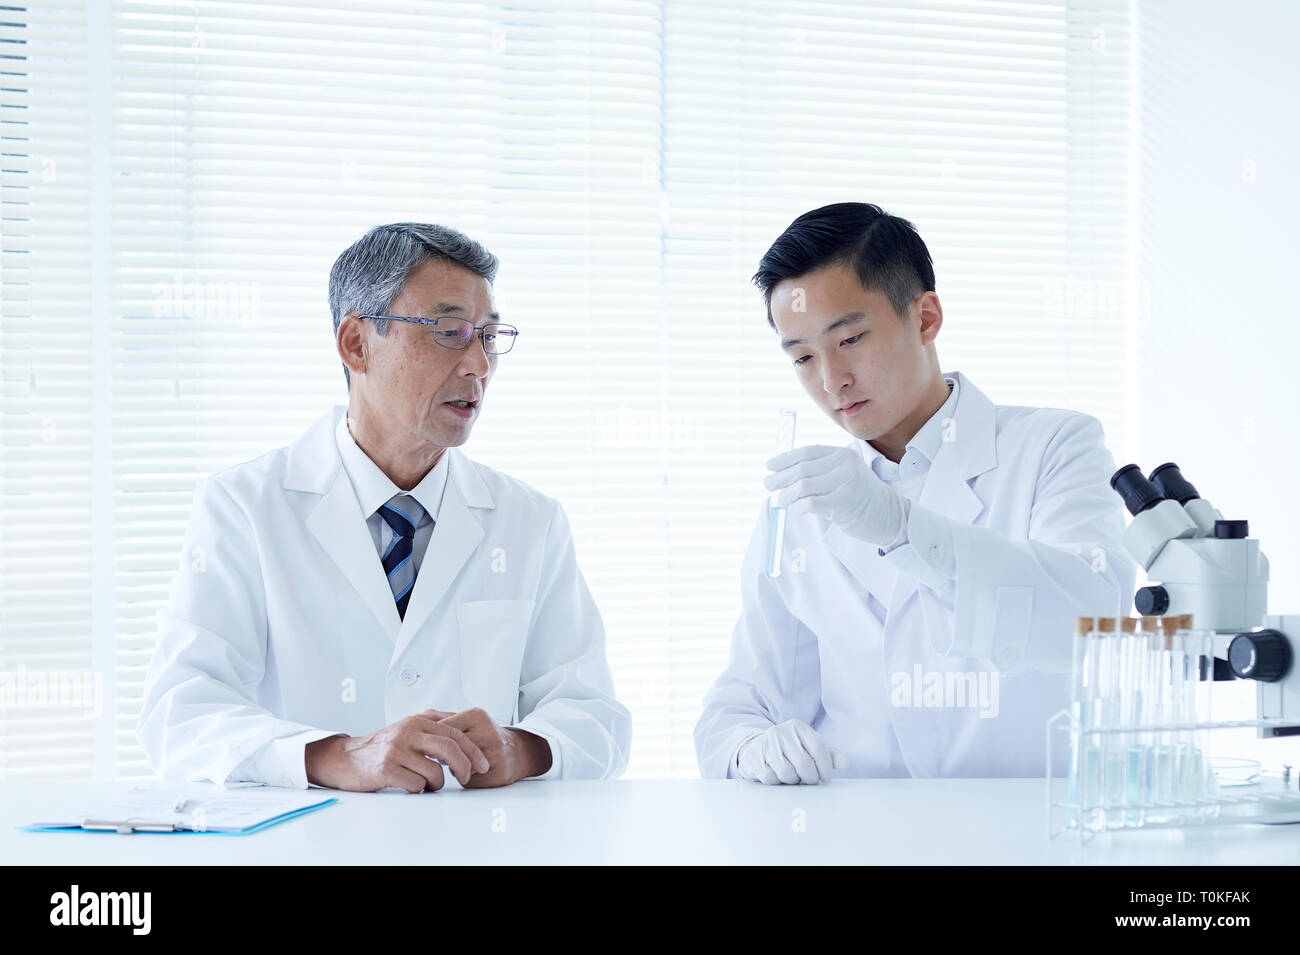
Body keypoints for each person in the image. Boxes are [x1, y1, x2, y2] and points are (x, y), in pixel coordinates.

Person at [138, 222, 631, 792]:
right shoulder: (244, 507)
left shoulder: (529, 520)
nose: (479, 365)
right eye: (450, 332)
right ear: (356, 344)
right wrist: (336, 756)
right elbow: (181, 715)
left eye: (489, 337)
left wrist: (520, 748)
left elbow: (597, 719)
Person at [694, 202, 1134, 783]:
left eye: (849, 339)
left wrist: (904, 529)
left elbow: (1091, 616)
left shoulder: (1053, 445)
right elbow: (742, 704)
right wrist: (750, 746)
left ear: (925, 317)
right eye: (802, 356)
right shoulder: (799, 504)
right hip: (861, 838)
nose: (830, 381)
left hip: (1023, 834)